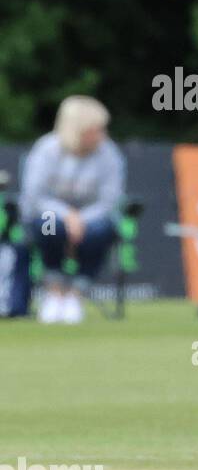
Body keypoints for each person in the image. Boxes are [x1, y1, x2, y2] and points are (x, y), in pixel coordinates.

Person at [19, 96, 124, 324]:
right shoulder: (46, 149)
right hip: (51, 216)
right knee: (49, 226)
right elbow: (34, 196)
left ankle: (76, 295)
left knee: (100, 230)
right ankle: (54, 292)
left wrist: (80, 219)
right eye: (95, 129)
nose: (101, 135)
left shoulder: (108, 153)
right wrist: (67, 215)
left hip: (92, 219)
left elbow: (110, 200)